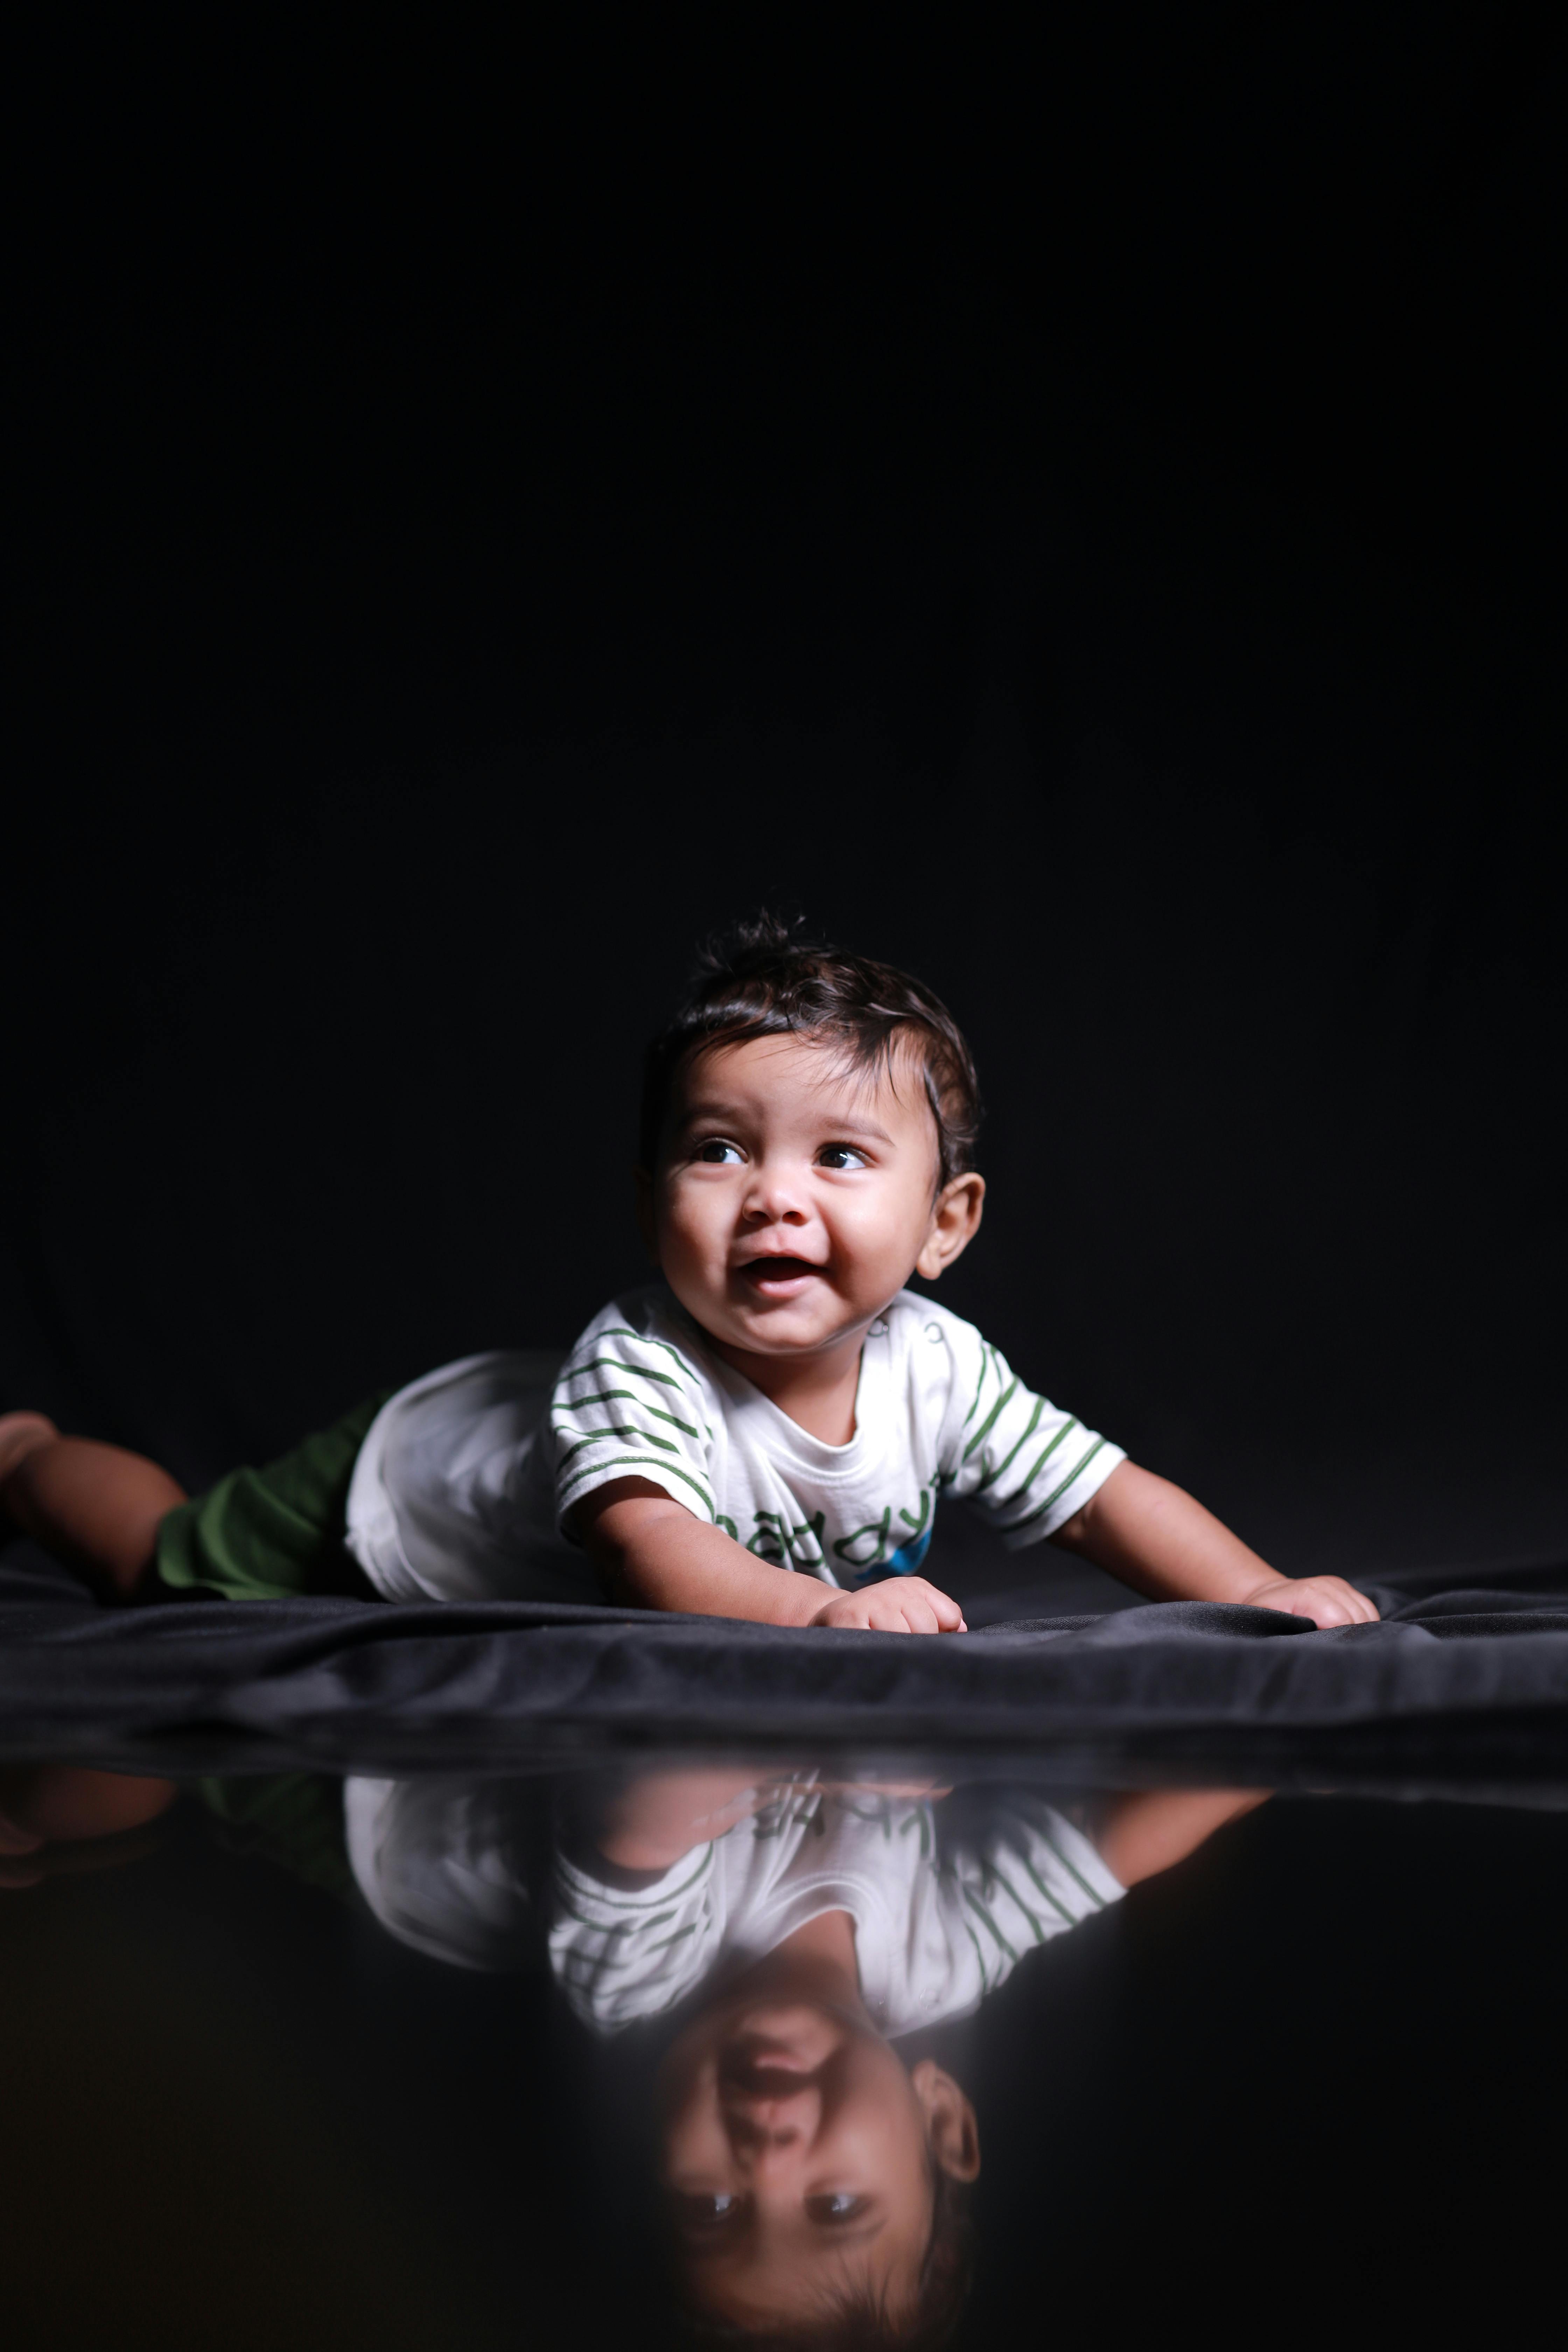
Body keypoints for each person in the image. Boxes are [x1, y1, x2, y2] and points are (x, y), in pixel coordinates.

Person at [0, 917, 1377, 1632]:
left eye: (840, 1158)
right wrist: (829, 1615)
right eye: (720, 1151)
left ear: (944, 1225)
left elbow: (1098, 1500)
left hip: (529, 1486)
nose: (772, 1192)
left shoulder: (938, 1367)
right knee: (155, 1568)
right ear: (655, 1196)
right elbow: (657, 1552)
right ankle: (25, 1455)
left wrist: (1251, 1592)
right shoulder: (641, 1357)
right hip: (402, 1492)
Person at [348, 1755, 1269, 2344]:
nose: (769, 2158)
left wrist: (858, 1736)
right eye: (835, 2203)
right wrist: (1316, 1702)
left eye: (711, 2205)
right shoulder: (940, 1959)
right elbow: (1140, 1830)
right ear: (942, 2121)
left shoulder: (636, 1985)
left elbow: (649, 1801)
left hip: (394, 1807)